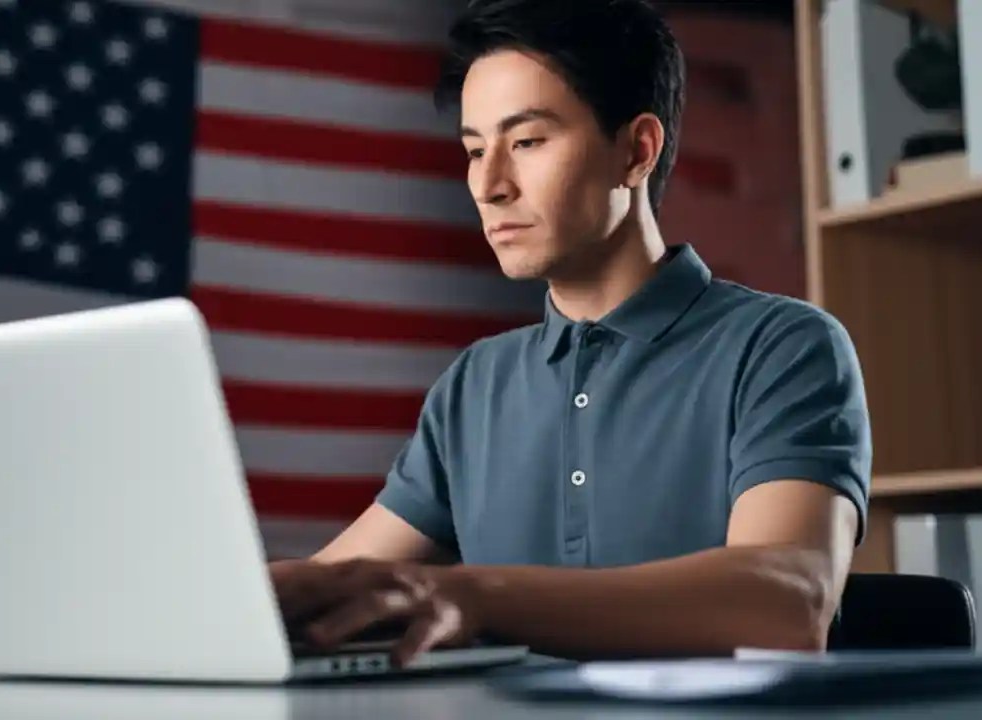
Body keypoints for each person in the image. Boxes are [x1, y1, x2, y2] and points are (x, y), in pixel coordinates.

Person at [271, 0, 871, 668]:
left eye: (526, 142)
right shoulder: (475, 383)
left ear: (636, 151)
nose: (489, 185)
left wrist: (477, 594)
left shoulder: (783, 347)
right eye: (474, 150)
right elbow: (340, 588)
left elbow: (788, 606)